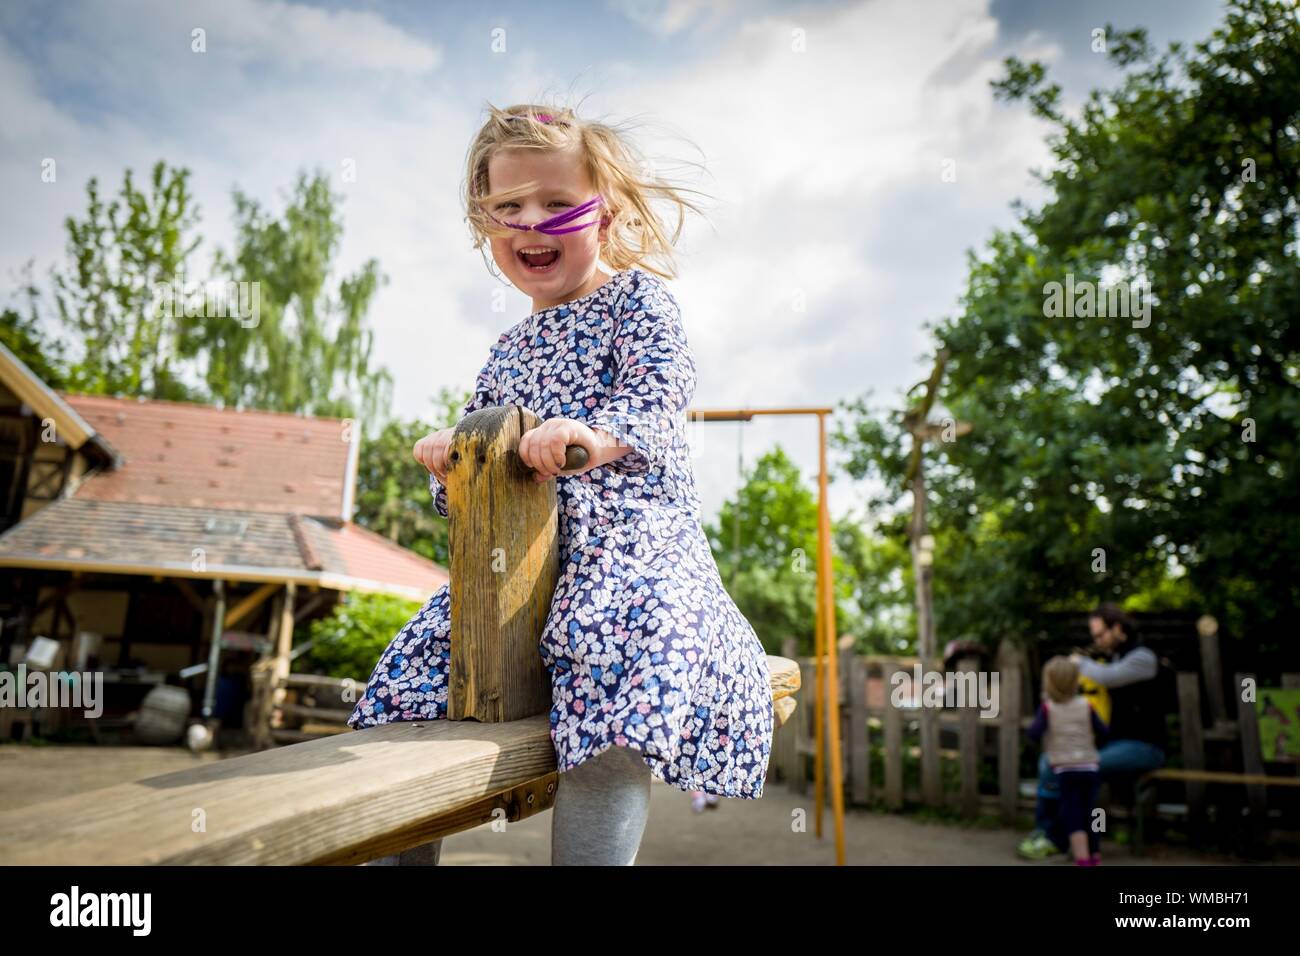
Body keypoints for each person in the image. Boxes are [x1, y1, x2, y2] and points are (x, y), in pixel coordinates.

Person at [347, 104, 775, 866]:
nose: (530, 224)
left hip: (628, 558)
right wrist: (459, 460)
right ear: (485, 223)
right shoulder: (506, 350)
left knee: (611, 711)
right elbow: (480, 488)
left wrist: (592, 437)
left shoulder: (635, 304)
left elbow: (659, 401)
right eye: (507, 207)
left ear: (602, 213)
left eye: (555, 203)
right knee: (403, 694)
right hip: (517, 571)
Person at [1018, 603, 1167, 859]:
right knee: (1050, 762)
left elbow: (1109, 677)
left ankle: (1058, 838)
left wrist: (1079, 663)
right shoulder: (1114, 658)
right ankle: (1054, 835)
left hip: (1144, 748)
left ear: (1118, 628)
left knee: (1071, 766)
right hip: (1112, 745)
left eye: (1100, 635)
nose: (1097, 641)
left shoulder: (1143, 658)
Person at [1026, 657, 1109, 865]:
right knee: (1094, 810)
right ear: (1076, 682)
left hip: (1065, 769)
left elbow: (1034, 733)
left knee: (1072, 812)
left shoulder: (1048, 708)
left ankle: (1082, 858)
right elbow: (1103, 731)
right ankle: (1096, 853)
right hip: (1091, 767)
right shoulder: (1086, 705)